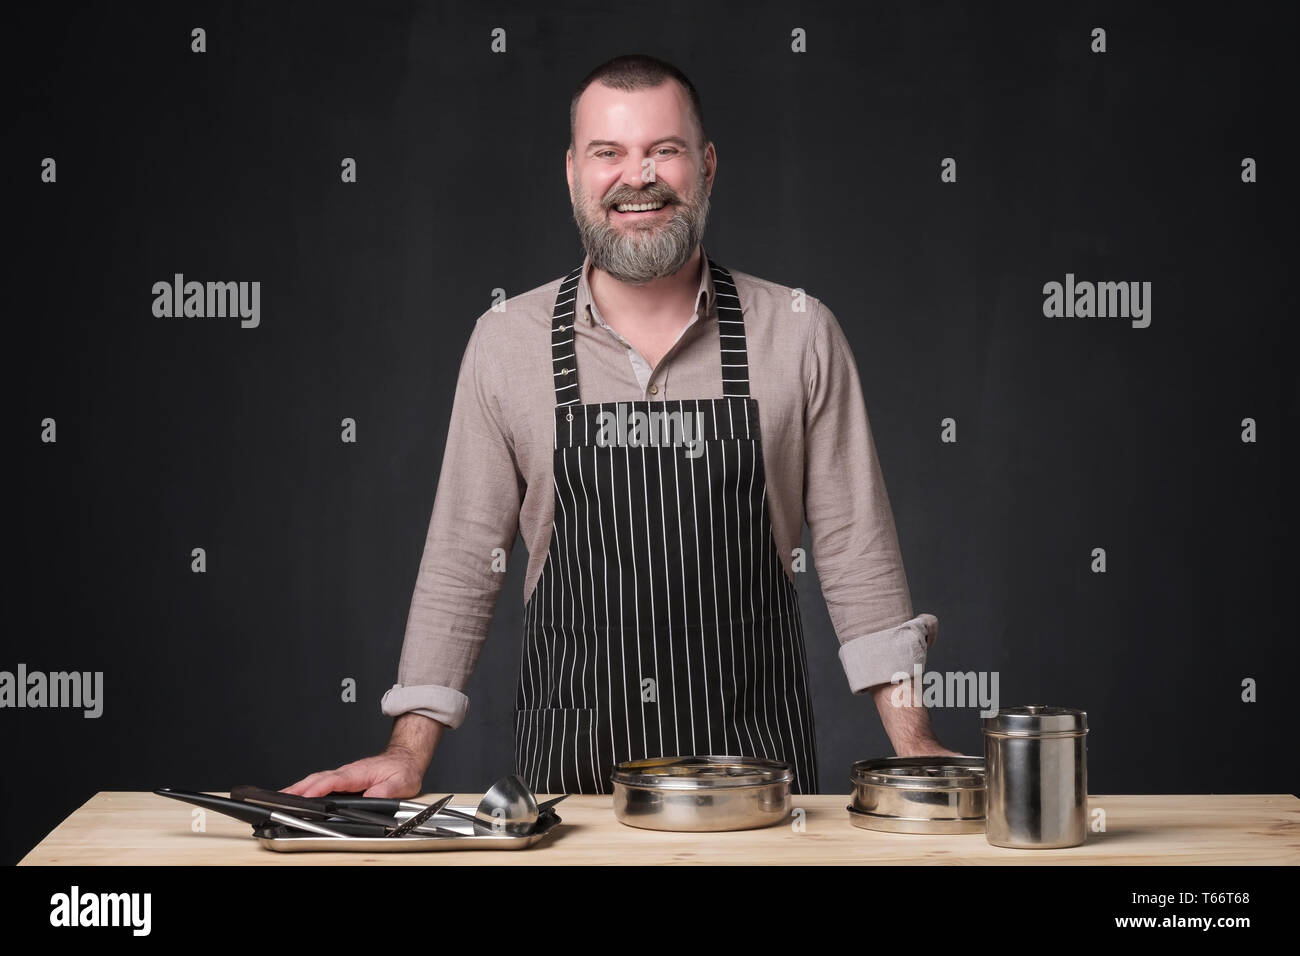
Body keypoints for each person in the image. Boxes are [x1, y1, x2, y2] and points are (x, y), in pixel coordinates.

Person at [287, 53, 955, 801]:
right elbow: (461, 562)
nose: (637, 177)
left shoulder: (797, 333)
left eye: (662, 151)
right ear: (573, 172)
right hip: (570, 801)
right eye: (609, 153)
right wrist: (407, 752)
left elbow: (855, 552)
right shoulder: (507, 342)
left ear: (704, 165)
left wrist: (917, 745)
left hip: (753, 797)